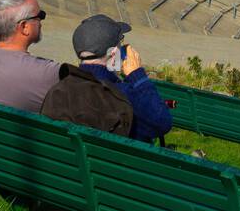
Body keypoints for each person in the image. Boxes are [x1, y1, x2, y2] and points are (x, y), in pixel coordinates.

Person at [42, 14, 171, 142]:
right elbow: (162, 122)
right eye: (121, 43)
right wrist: (136, 74)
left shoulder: (58, 91)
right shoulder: (124, 95)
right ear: (114, 53)